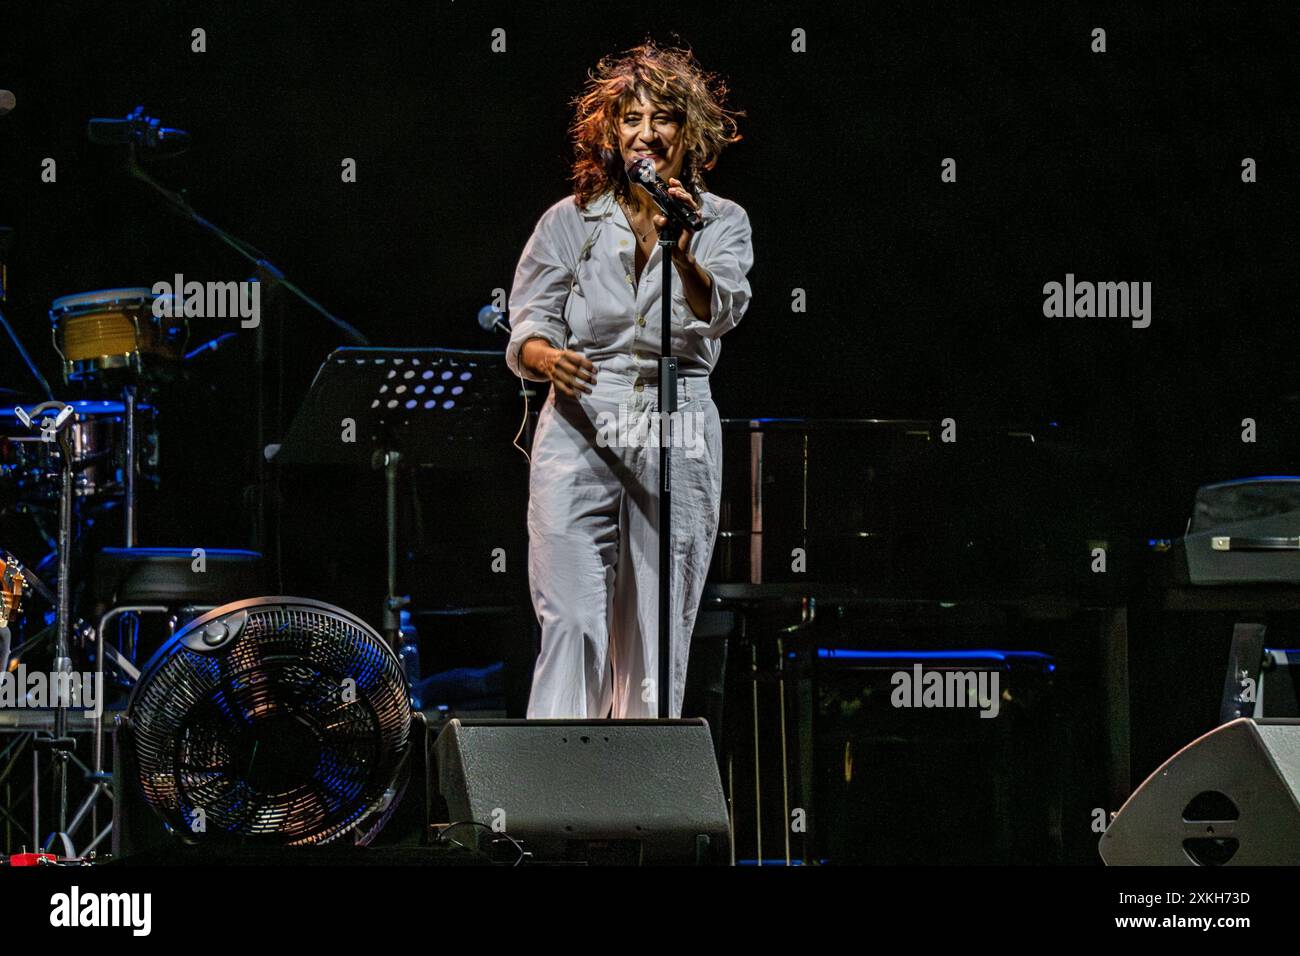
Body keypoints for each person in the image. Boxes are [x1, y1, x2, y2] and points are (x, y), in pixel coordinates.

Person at [506, 40, 753, 719]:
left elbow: (719, 311)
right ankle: (555, 806)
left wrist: (681, 244)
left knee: (655, 634)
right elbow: (525, 325)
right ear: (611, 133)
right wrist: (547, 358)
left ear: (690, 131)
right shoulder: (570, 220)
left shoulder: (719, 221)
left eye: (664, 117)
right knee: (574, 620)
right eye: (632, 118)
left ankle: (637, 814)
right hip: (581, 420)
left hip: (677, 417)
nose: (647, 133)